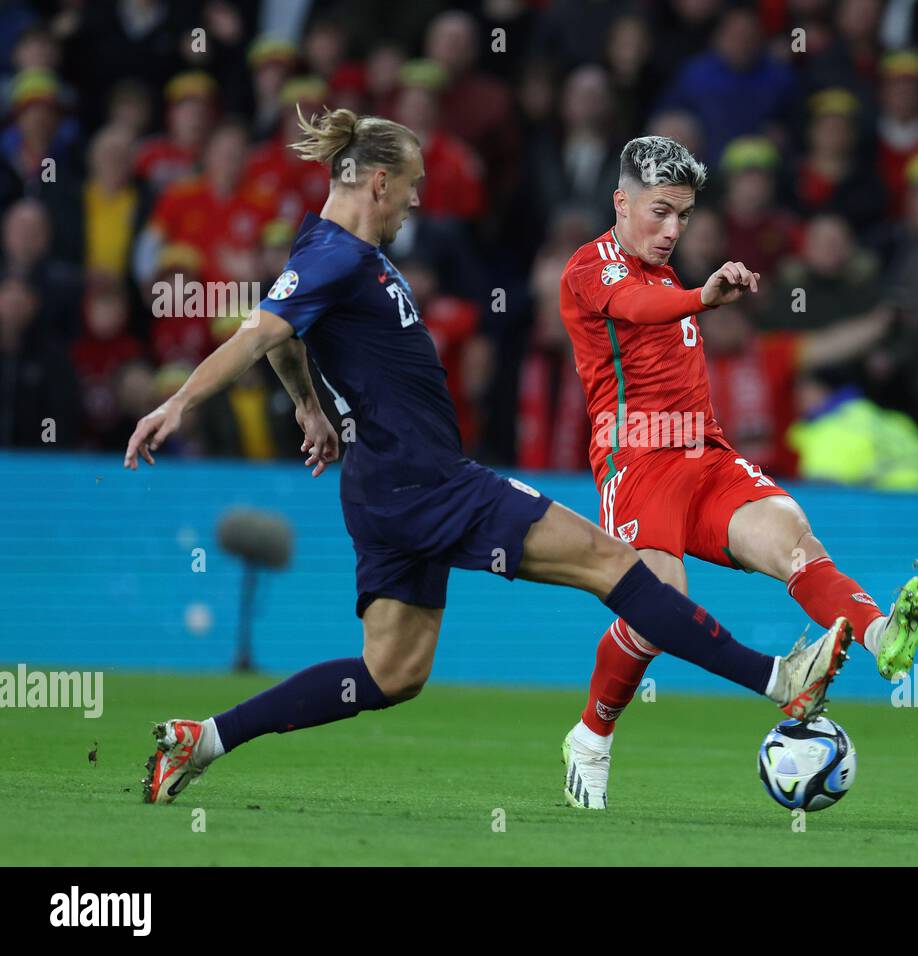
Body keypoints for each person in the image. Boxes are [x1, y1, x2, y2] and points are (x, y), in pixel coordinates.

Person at [124, 108, 853, 807]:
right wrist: (177, 405)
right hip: (428, 481)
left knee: (391, 673)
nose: (414, 203)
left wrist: (311, 408)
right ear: (378, 183)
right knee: (616, 566)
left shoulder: (323, 251)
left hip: (380, 487)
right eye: (410, 187)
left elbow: (285, 336)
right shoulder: (339, 256)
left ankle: (205, 740)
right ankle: (779, 677)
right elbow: (258, 332)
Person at [556, 135, 918, 810]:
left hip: (707, 454)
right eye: (660, 212)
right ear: (622, 202)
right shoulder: (593, 271)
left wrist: (697, 294)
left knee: (794, 539)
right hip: (637, 460)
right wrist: (704, 296)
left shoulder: (671, 279)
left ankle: (882, 639)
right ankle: (591, 735)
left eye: (683, 216)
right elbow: (639, 310)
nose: (672, 230)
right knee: (657, 606)